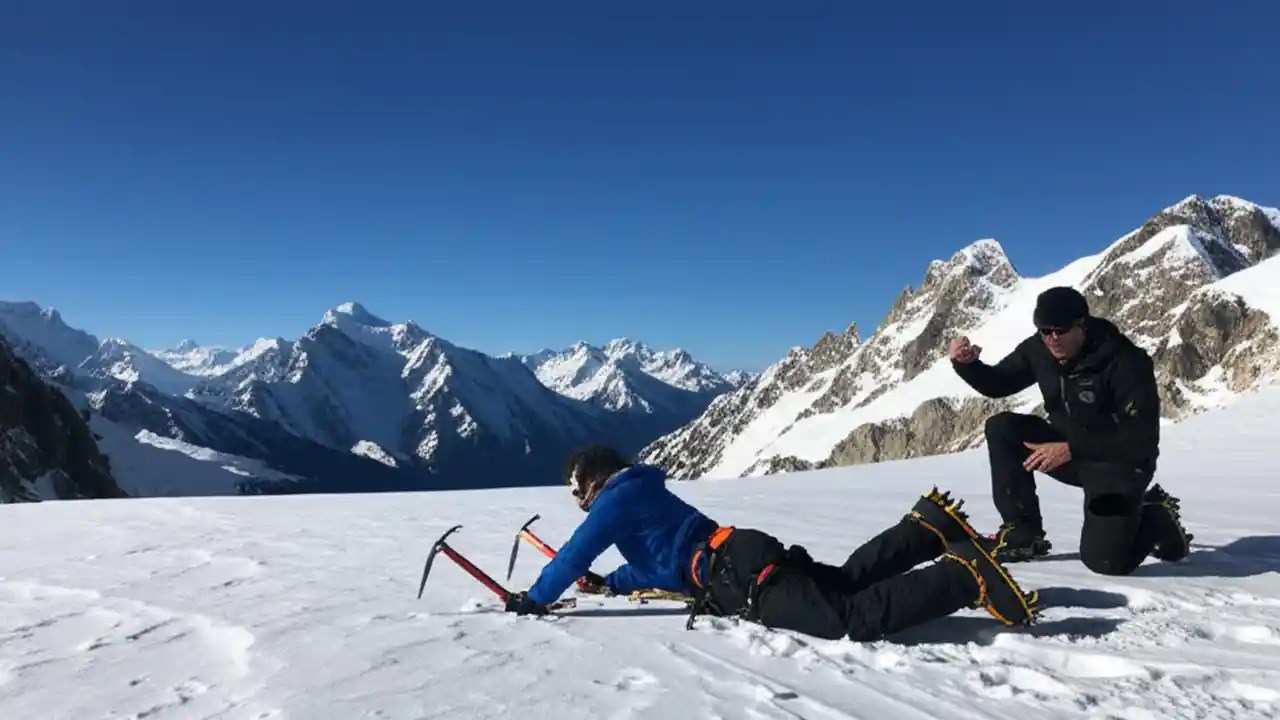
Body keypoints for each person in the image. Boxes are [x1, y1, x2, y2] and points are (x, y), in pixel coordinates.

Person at [503, 444, 1040, 641]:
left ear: (594, 483)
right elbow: (657, 566)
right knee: (844, 581)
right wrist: (612, 584)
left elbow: (574, 553)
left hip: (734, 576)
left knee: (847, 618)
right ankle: (925, 530)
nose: (582, 506)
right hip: (738, 552)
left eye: (580, 495)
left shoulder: (613, 504)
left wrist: (535, 599)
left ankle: (962, 577)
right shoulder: (641, 497)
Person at [949, 285, 1192, 575]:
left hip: (1119, 467)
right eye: (1044, 330)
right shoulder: (1039, 350)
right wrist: (967, 366)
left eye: (1060, 330)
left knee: (1105, 562)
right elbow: (999, 383)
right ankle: (1022, 532)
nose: (1052, 338)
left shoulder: (1126, 361)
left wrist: (1071, 448)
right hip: (1069, 453)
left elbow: (1140, 439)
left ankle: (1154, 516)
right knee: (1002, 428)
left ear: (1082, 325)